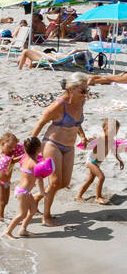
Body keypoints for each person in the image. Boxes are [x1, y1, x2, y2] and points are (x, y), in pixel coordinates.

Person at [30, 73, 91, 224]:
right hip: (52, 143)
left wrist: (82, 136)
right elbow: (40, 123)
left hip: (69, 146)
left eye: (87, 90)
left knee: (64, 183)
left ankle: (35, 198)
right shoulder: (58, 105)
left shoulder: (81, 101)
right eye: (83, 91)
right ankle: (46, 216)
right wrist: (31, 145)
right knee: (56, 182)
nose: (86, 94)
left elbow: (77, 121)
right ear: (71, 89)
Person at [3, 139, 54, 237]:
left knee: (33, 210)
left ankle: (23, 230)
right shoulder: (35, 164)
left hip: (23, 189)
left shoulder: (24, 157)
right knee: (22, 214)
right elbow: (39, 179)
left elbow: (25, 171)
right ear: (39, 149)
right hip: (23, 192)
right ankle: (7, 232)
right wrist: (42, 192)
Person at [76, 117, 121, 202]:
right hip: (91, 162)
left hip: (97, 163)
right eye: (112, 130)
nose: (114, 133)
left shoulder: (111, 141)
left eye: (116, 131)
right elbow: (88, 145)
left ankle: (78, 195)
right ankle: (98, 197)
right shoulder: (100, 139)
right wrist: (88, 141)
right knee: (101, 177)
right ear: (104, 130)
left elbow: (114, 151)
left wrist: (120, 160)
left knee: (90, 180)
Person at [0, 132, 23, 219]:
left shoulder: (11, 153)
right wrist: (24, 155)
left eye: (13, 147)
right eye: (9, 147)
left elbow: (17, 154)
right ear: (2, 144)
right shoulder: (0, 156)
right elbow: (12, 161)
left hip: (7, 182)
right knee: (2, 202)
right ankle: (1, 219)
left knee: (5, 202)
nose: (11, 149)